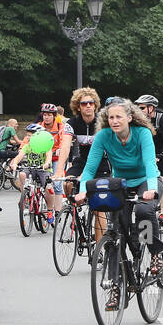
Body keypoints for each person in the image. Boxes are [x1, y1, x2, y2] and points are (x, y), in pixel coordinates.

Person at [74, 98, 163, 309]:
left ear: (130, 118)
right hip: (121, 184)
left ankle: (154, 253)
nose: (114, 121)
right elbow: (89, 169)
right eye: (111, 117)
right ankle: (116, 288)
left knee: (143, 210)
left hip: (146, 181)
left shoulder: (142, 134)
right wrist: (81, 192)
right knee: (116, 233)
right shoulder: (104, 136)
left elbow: (150, 165)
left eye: (118, 117)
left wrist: (151, 189)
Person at [55, 87, 109, 240]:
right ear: (78, 107)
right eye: (84, 103)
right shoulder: (72, 123)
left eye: (91, 103)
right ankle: (77, 211)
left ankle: (100, 248)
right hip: (82, 160)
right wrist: (59, 170)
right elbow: (65, 146)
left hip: (102, 163)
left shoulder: (102, 122)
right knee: (67, 184)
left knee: (99, 206)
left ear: (95, 105)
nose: (88, 106)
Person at [136, 95, 163, 224]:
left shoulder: (162, 118)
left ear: (151, 108)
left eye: (142, 108)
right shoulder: (138, 120)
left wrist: (162, 155)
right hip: (148, 153)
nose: (139, 110)